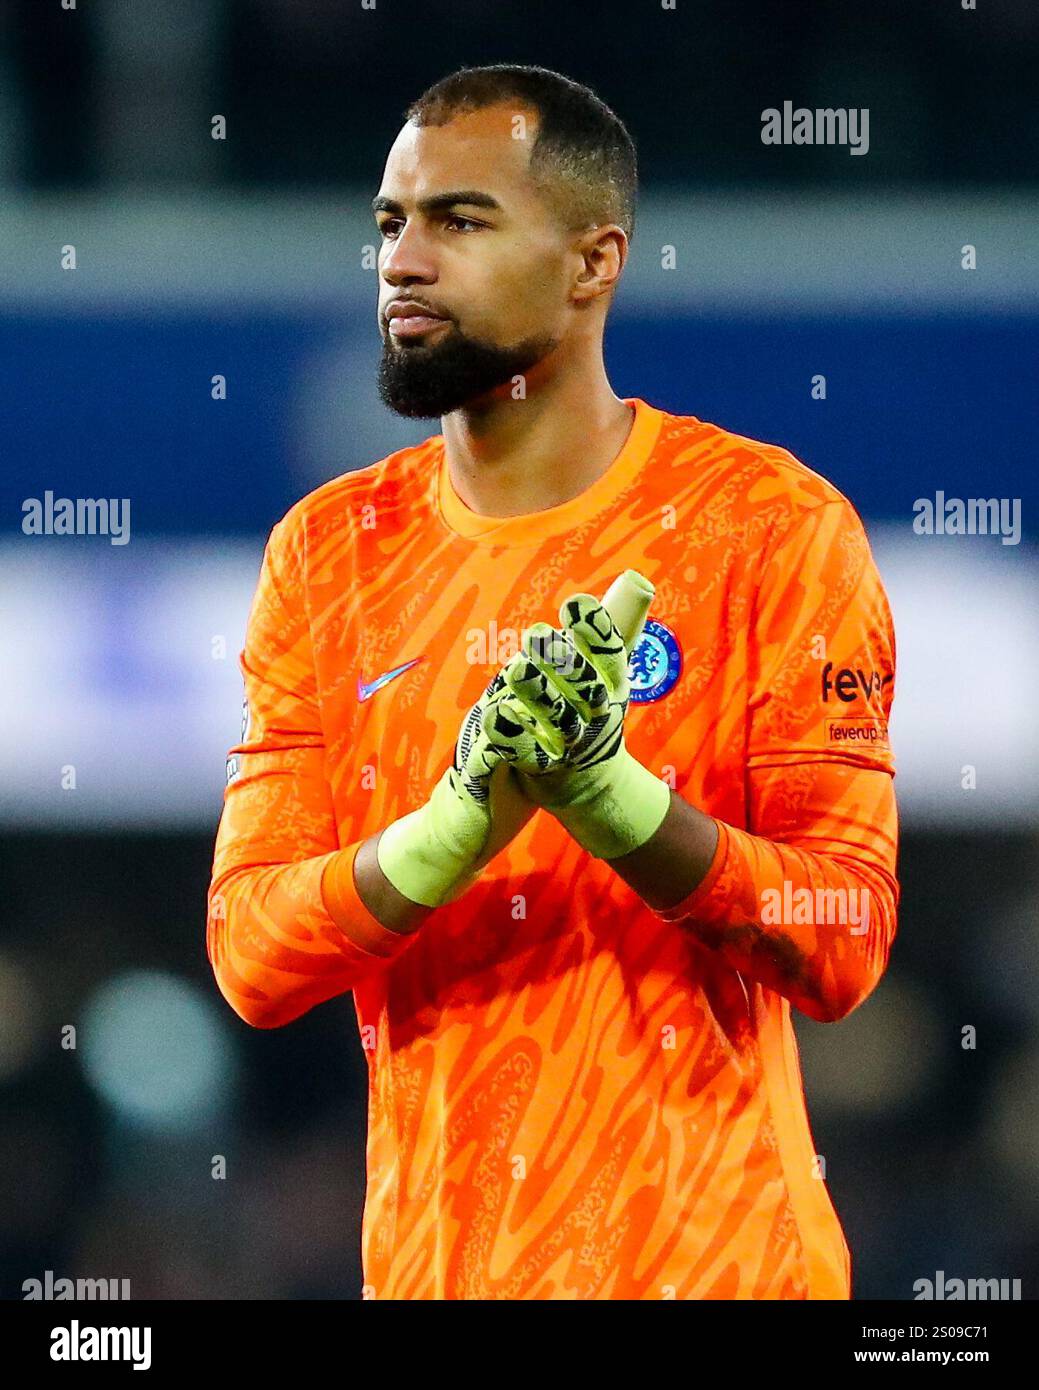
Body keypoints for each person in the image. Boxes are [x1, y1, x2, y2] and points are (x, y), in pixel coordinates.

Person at [207, 64, 898, 1300]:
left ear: (594, 264)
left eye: (459, 220)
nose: (402, 262)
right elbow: (252, 954)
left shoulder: (767, 527)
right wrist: (458, 823)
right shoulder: (325, 553)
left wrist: (606, 798)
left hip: (726, 1274)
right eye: (388, 224)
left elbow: (843, 936)